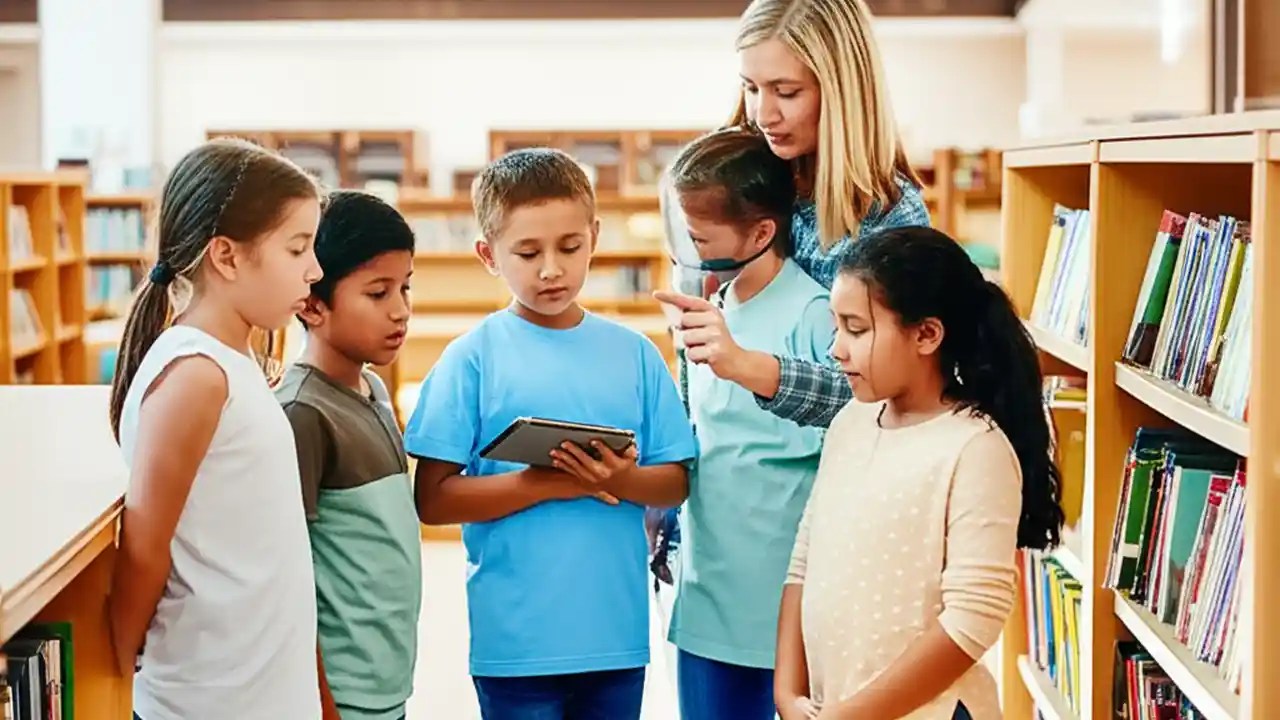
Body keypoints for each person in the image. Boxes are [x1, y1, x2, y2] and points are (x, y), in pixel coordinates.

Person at [403, 148, 697, 720]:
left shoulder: (636, 355)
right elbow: (433, 499)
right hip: (515, 643)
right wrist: (547, 484)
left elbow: (676, 483)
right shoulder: (471, 359)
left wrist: (621, 477)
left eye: (569, 247)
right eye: (528, 252)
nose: (551, 271)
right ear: (488, 254)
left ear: (595, 235)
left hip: (614, 634)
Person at [774, 226, 1065, 720]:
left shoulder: (975, 448)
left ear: (927, 334)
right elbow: (805, 559)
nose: (836, 349)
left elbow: (973, 619)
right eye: (836, 327)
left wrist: (855, 714)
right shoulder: (852, 421)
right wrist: (787, 690)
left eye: (857, 329)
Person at [107, 138, 325, 720]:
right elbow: (144, 550)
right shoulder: (195, 375)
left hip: (261, 686)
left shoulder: (234, 362)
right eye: (297, 248)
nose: (315, 269)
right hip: (212, 697)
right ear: (226, 257)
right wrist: (112, 677)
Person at [656, 0, 931, 430]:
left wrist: (751, 367)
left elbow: (884, 396)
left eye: (786, 92)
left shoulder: (891, 220)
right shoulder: (736, 177)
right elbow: (692, 352)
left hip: (819, 477)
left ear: (843, 93)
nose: (763, 115)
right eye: (750, 88)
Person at [655, 128, 832, 720]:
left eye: (701, 237)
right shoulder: (714, 307)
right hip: (708, 592)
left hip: (783, 600)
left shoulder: (815, 313)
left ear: (760, 234)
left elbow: (855, 427)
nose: (691, 251)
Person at [275, 190, 421, 720]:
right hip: (339, 694)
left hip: (385, 683)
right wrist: (322, 702)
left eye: (405, 287)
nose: (401, 310)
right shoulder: (300, 413)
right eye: (378, 293)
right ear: (312, 303)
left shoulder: (375, 391)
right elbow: (287, 579)